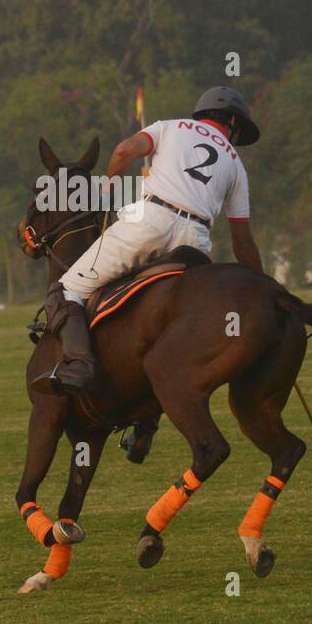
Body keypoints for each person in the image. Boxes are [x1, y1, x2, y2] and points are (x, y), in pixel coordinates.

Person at [33, 86, 265, 396]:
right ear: (233, 124)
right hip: (194, 243)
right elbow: (243, 241)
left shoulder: (169, 127)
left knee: (66, 288)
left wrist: (107, 186)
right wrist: (261, 287)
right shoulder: (237, 165)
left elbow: (122, 152)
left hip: (149, 222)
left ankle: (78, 364)